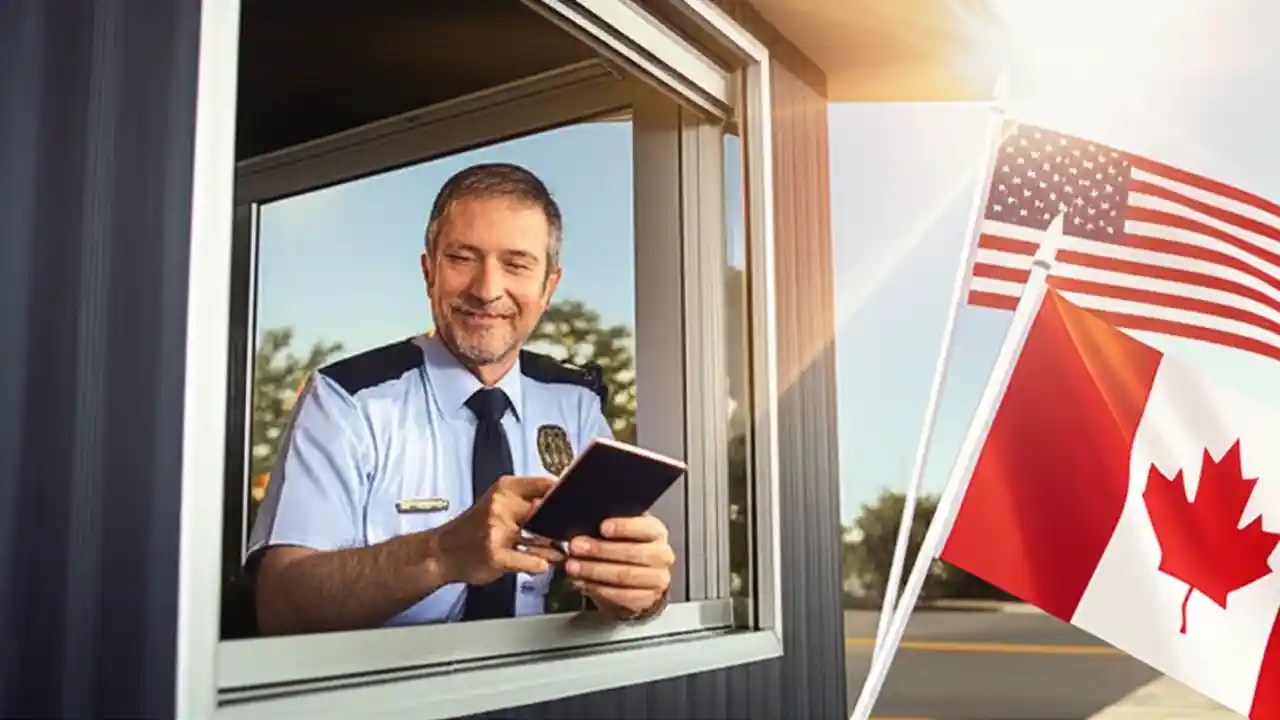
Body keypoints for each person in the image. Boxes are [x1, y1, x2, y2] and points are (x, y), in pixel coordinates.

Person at [246, 163, 674, 635]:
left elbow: (615, 574)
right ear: (429, 271)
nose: (487, 290)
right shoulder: (346, 401)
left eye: (516, 263)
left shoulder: (574, 404)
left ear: (548, 286)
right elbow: (280, 606)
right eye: (463, 258)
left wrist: (639, 596)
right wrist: (443, 552)